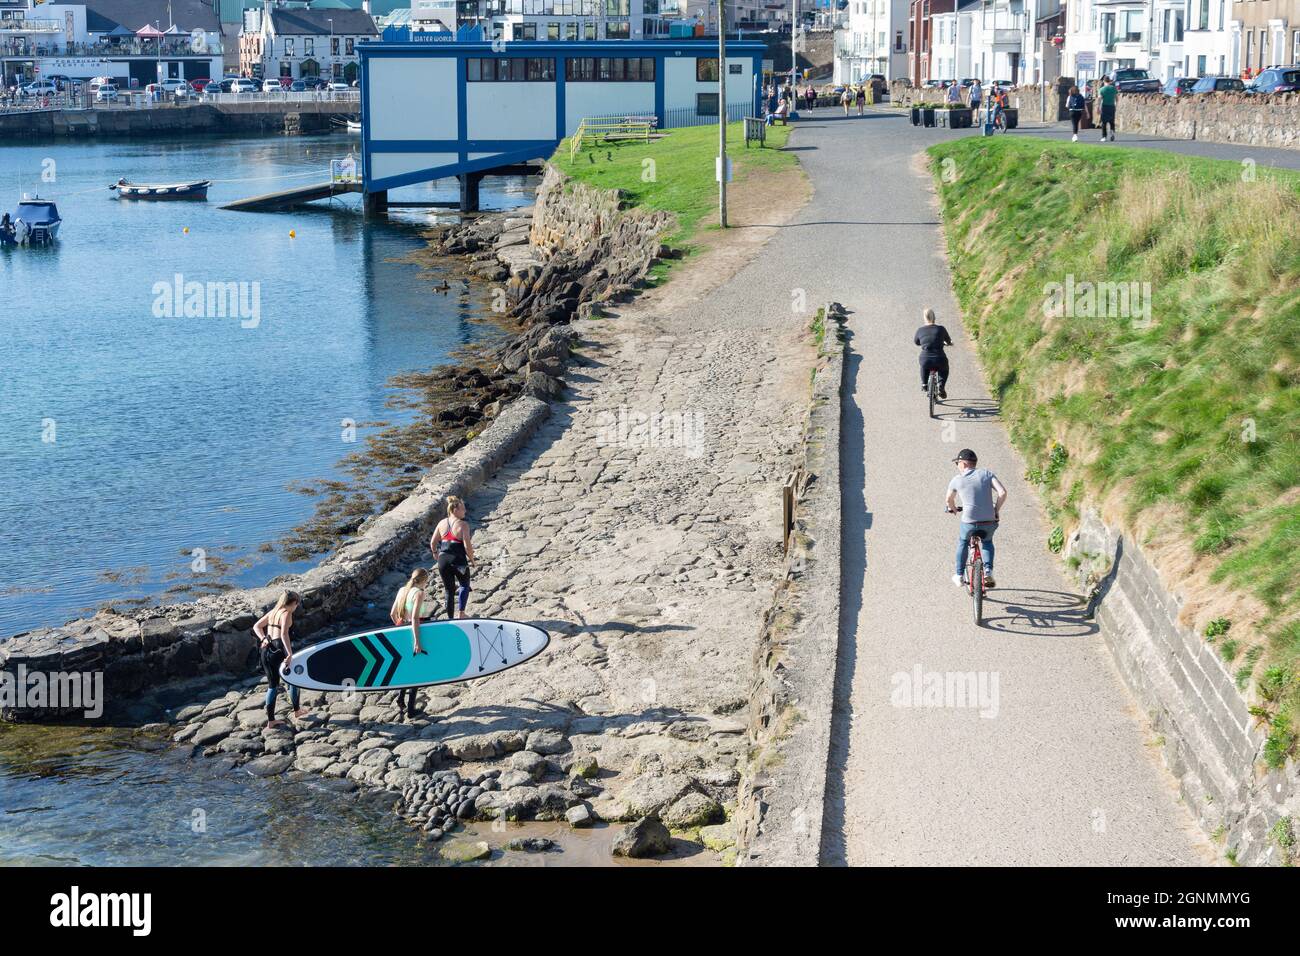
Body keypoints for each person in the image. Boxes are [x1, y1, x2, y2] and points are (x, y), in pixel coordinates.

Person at [945, 450, 1007, 590]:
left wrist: (953, 508)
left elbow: (949, 499)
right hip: (989, 521)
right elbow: (1002, 492)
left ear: (964, 463)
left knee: (963, 541)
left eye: (957, 463)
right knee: (987, 541)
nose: (957, 466)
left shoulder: (957, 480)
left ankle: (959, 575)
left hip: (969, 521)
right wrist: (995, 510)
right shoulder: (986, 474)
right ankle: (988, 571)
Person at [252, 591, 307, 727]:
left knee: (272, 685)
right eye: (297, 603)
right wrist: (289, 654)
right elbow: (284, 635)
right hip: (279, 649)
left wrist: (263, 638)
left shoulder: (273, 612)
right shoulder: (286, 613)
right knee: (293, 679)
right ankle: (297, 711)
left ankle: (271, 721)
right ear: (293, 603)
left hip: (266, 649)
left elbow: (256, 626)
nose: (297, 606)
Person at [389, 568, 433, 720]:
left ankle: (401, 699)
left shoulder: (402, 590)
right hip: (415, 633)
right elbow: (415, 618)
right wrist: (417, 641)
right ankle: (411, 710)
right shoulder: (419, 593)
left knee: (407, 667)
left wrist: (400, 630)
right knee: (417, 671)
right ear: (424, 580)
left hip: (403, 630)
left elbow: (392, 614)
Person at [430, 495, 475, 621]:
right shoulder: (463, 525)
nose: (465, 511)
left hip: (443, 560)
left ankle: (450, 618)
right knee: (464, 585)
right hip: (458, 560)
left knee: (449, 590)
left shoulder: (441, 523)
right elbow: (467, 546)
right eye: (463, 509)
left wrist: (435, 553)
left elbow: (433, 542)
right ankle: (461, 613)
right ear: (455, 510)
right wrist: (471, 559)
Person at [914, 307, 953, 399]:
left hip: (925, 358)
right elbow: (948, 340)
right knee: (944, 369)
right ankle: (941, 387)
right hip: (939, 358)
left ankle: (924, 384)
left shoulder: (920, 330)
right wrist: (949, 343)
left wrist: (924, 342)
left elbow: (917, 342)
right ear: (934, 317)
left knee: (924, 366)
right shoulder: (941, 329)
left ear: (924, 318)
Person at [1097, 76, 1118, 142]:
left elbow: (1099, 98)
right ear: (1109, 81)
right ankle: (1112, 132)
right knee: (1112, 121)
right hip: (1112, 106)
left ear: (1104, 81)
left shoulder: (1102, 89)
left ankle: (1104, 137)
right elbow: (1116, 98)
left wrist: (1098, 107)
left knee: (1104, 122)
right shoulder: (1114, 88)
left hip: (1105, 106)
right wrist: (1116, 105)